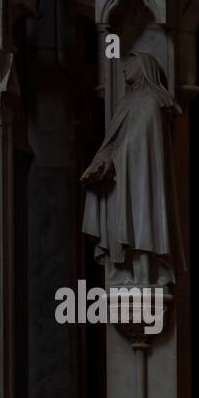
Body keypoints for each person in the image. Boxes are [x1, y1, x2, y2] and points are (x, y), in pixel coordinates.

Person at [81, 51, 184, 287]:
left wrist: (112, 159)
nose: (125, 67)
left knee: (143, 224)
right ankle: (126, 274)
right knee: (122, 224)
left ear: (143, 66)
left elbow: (139, 143)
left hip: (142, 179)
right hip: (120, 177)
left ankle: (147, 277)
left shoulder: (152, 100)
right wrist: (101, 162)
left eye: (130, 63)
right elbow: (116, 140)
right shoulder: (126, 102)